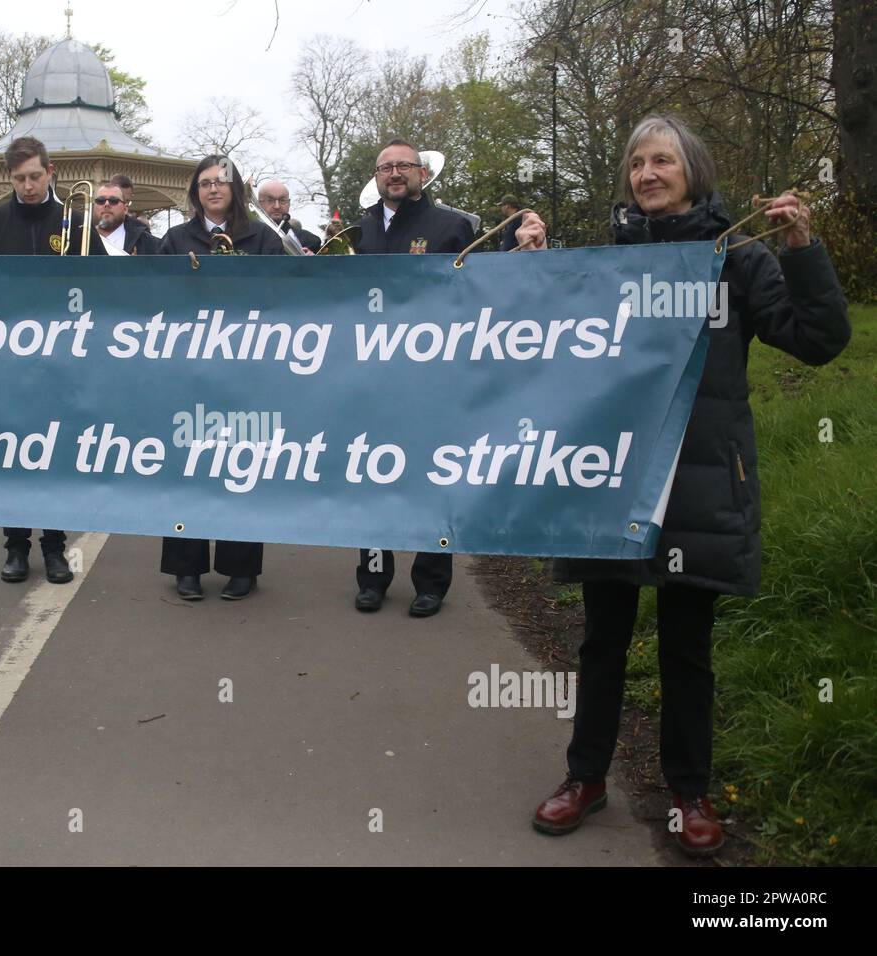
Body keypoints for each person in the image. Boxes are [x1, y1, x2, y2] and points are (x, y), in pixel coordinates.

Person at [532, 114, 849, 858]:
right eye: (637, 163)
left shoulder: (737, 257)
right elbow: (540, 345)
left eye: (662, 161)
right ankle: (586, 776)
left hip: (700, 478)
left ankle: (689, 793)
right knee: (603, 638)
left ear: (692, 171)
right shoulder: (605, 260)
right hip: (611, 477)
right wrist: (534, 268)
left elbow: (818, 339)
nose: (647, 174)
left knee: (686, 645)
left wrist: (800, 249)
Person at [353, 139, 545, 619]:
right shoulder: (363, 230)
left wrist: (522, 252)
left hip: (434, 376)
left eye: (404, 165)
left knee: (429, 477)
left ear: (422, 173)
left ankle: (431, 581)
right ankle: (373, 577)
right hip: (374, 376)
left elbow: (485, 290)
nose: (395, 173)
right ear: (375, 177)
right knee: (372, 476)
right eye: (386, 167)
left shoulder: (451, 226)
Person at [157, 155, 283, 600]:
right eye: (205, 183)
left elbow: (280, 301)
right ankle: (186, 567)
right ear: (195, 192)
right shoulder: (175, 239)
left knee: (241, 466)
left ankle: (241, 566)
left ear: (235, 190)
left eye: (221, 183)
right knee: (187, 468)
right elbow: (158, 298)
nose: (213, 189)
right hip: (189, 371)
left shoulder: (263, 238)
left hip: (246, 371)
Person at [0, 136, 94, 585]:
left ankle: (55, 547)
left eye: (35, 176)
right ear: (11, 177)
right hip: (8, 360)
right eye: (20, 178)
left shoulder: (77, 223)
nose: (27, 185)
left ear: (50, 172)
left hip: (62, 359)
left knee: (54, 454)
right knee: (12, 455)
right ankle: (16, 547)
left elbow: (103, 289)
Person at [93, 181, 159, 254]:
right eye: (100, 200)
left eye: (113, 200)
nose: (106, 204)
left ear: (125, 209)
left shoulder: (148, 243)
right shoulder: (81, 239)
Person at [256, 179, 322, 252]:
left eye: (282, 200)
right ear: (259, 204)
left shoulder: (309, 241)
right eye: (270, 200)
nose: (277, 206)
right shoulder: (245, 238)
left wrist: (314, 261)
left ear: (289, 204)